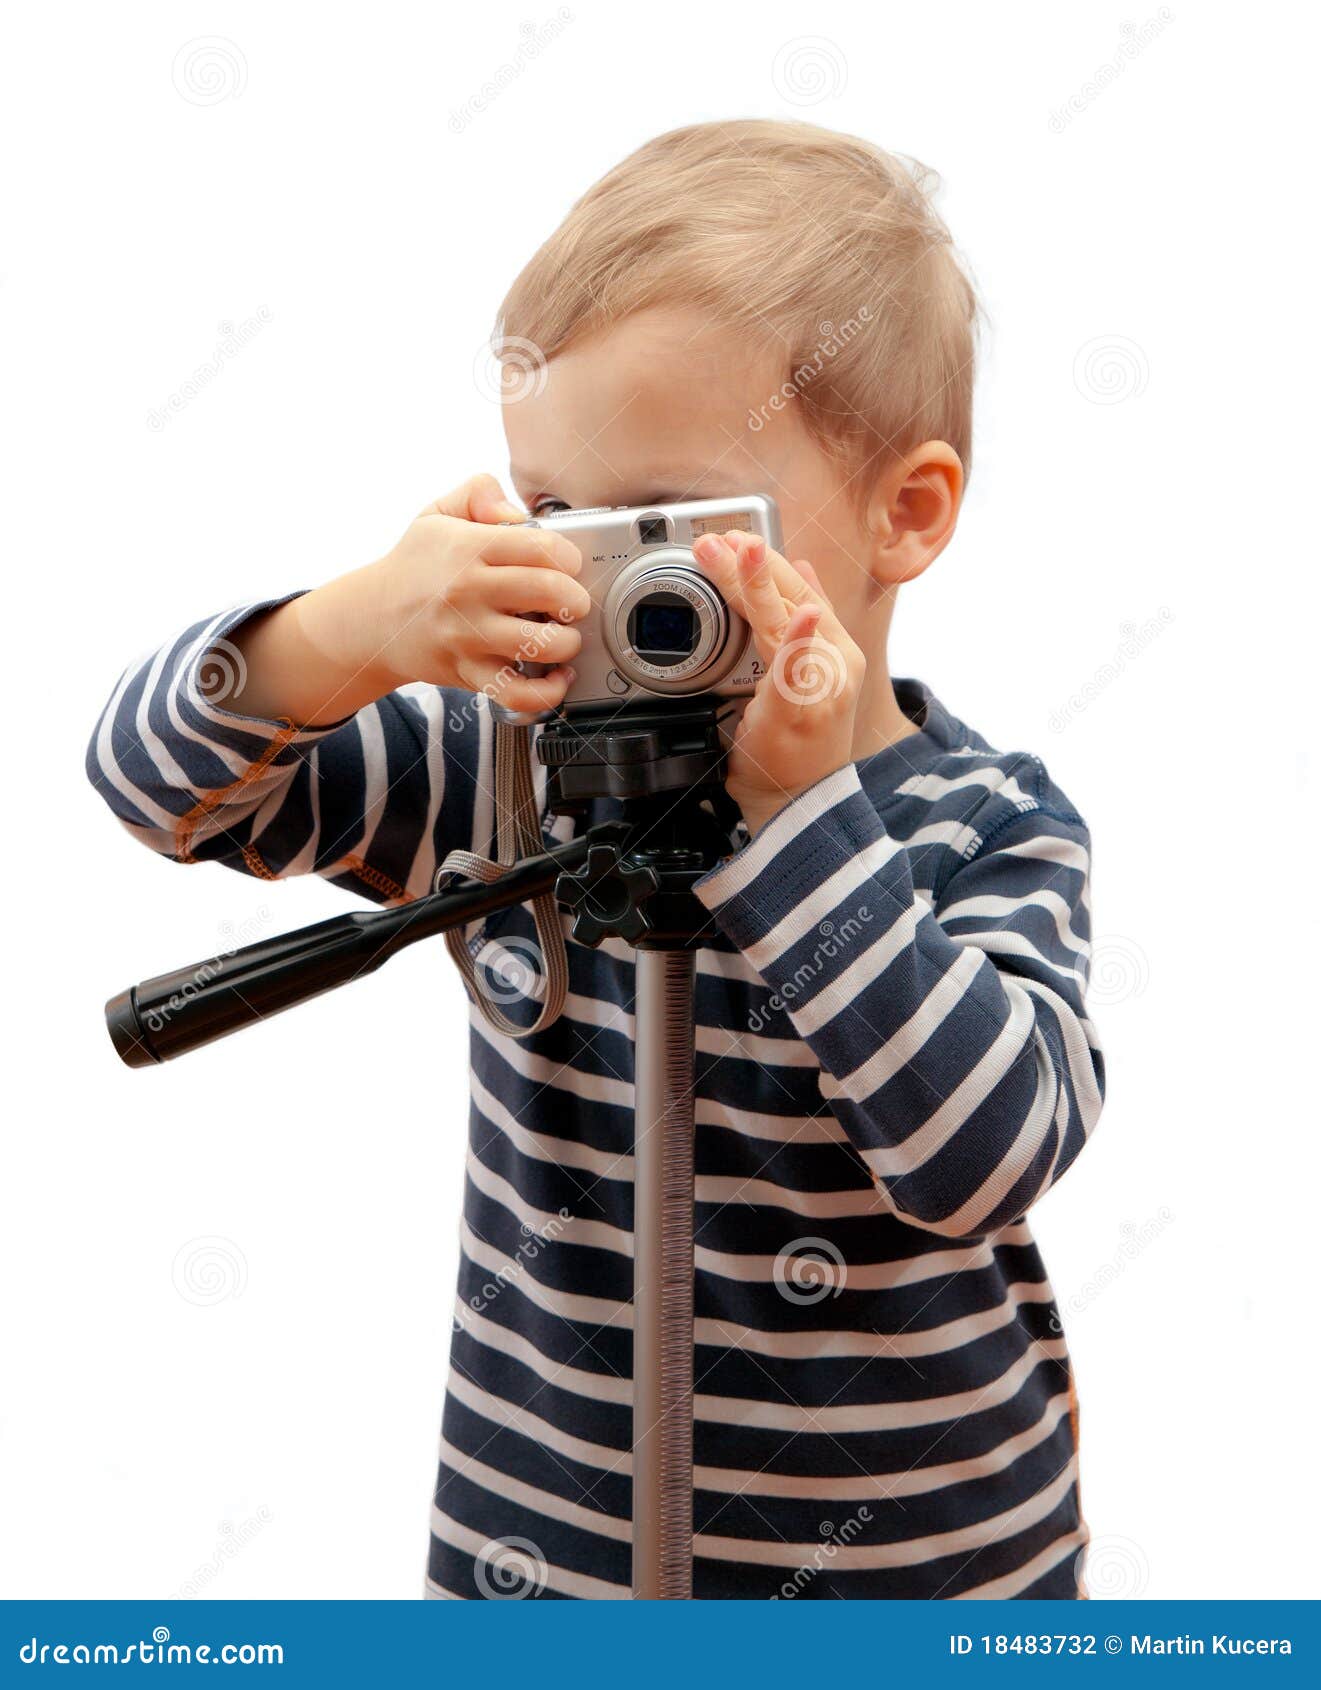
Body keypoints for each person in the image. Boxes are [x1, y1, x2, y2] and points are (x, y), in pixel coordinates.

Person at [87, 119, 1105, 1599]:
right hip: (542, 1576)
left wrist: (800, 815)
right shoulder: (501, 770)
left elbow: (984, 1152)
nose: (604, 579)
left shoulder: (984, 822)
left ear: (905, 513)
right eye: (560, 517)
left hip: (925, 1591)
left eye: (670, 523)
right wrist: (354, 628)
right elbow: (153, 788)